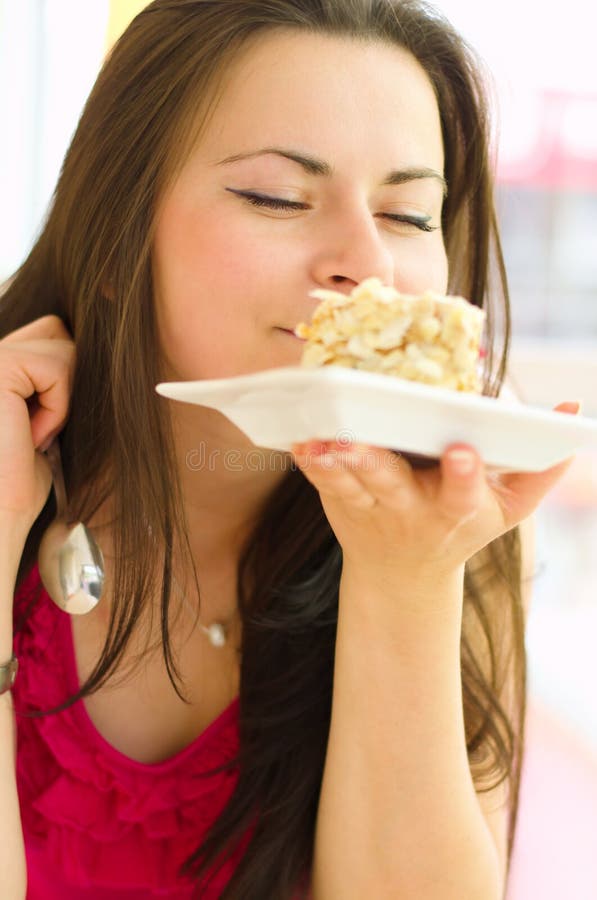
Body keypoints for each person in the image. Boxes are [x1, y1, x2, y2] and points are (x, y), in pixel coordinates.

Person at [0, 1, 580, 898]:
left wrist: (406, 575)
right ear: (115, 238)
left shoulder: (464, 517)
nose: (366, 264)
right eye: (275, 197)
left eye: (407, 213)